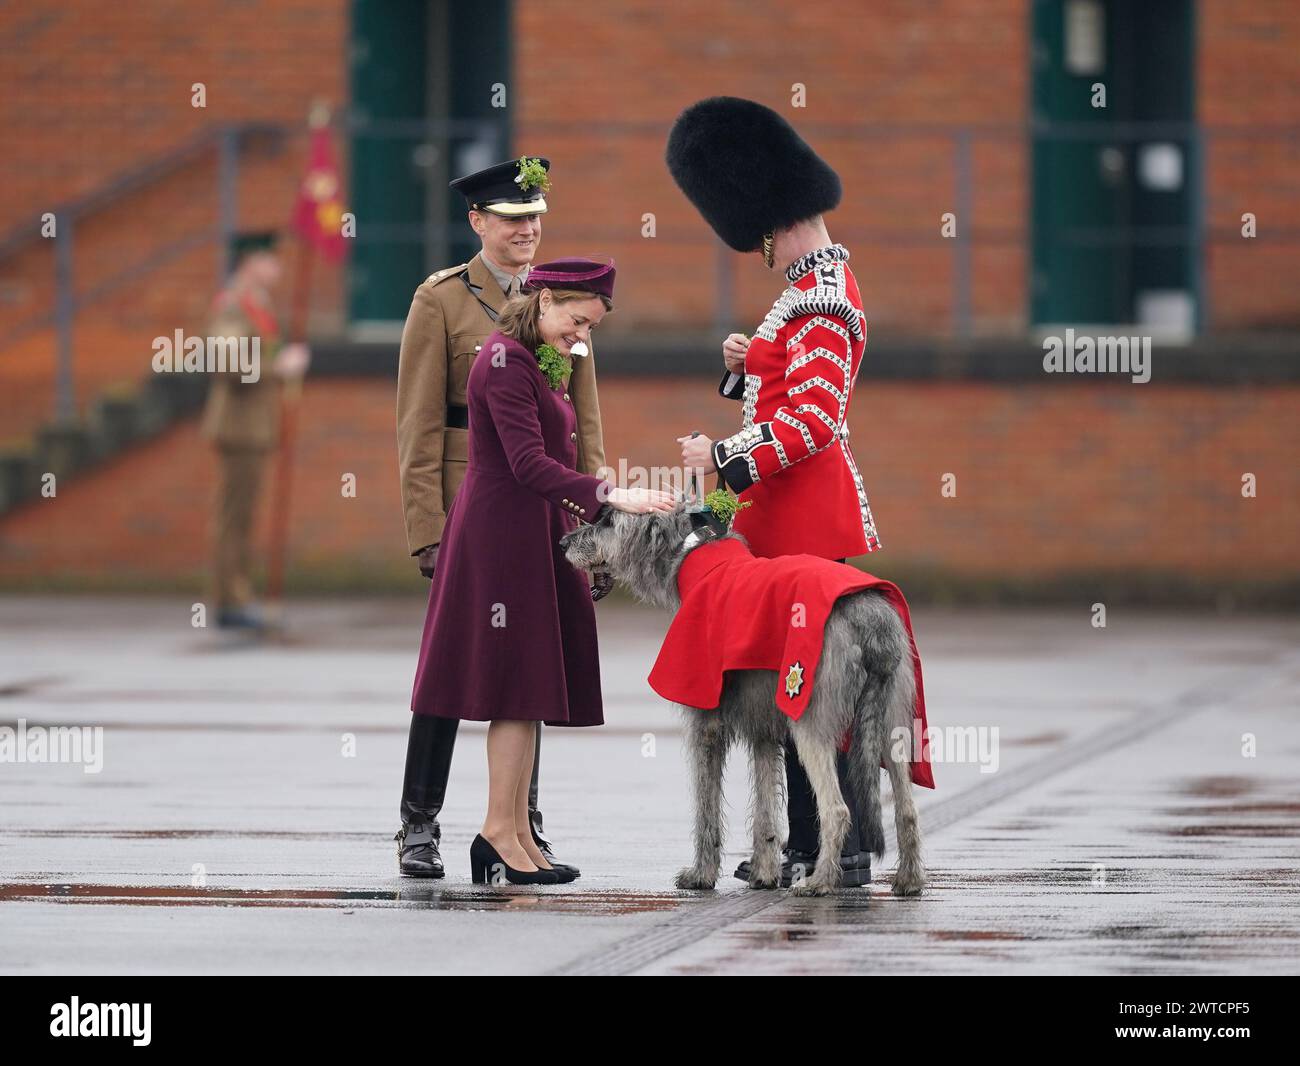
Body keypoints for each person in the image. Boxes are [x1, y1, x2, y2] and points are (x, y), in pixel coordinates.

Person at [667, 96, 889, 887]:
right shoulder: (805, 291)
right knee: (794, 683)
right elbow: (786, 386)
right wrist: (746, 362)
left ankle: (833, 845)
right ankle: (813, 841)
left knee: (812, 689)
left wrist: (720, 457)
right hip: (783, 515)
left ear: (769, 223)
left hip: (803, 515)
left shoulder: (823, 295)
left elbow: (813, 422)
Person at [409, 258, 675, 884]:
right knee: (512, 688)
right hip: (503, 533)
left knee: (527, 691)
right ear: (545, 300)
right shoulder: (503, 360)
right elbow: (527, 462)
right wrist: (613, 498)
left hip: (533, 529)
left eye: (592, 329)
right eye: (577, 322)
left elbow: (558, 451)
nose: (582, 338)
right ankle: (497, 833)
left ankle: (517, 833)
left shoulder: (535, 357)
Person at [394, 156, 606, 878]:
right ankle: (419, 823)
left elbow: (585, 426)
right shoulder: (442, 300)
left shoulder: (566, 302)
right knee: (453, 671)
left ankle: (519, 825)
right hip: (473, 507)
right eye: (513, 220)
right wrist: (427, 526)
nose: (528, 230)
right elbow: (418, 422)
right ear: (478, 222)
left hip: (544, 511)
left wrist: (594, 529)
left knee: (529, 665)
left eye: (535, 218)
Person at [201, 230, 309, 630]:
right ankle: (230, 598)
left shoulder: (255, 305)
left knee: (242, 518)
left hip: (254, 427)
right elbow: (227, 364)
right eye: (270, 259)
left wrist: (281, 358)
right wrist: (278, 368)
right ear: (250, 262)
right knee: (234, 519)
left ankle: (237, 594)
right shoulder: (233, 306)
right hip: (238, 428)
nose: (277, 268)